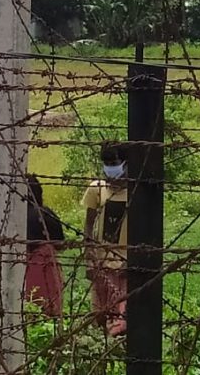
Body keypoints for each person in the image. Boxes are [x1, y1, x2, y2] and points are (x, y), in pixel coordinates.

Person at [83, 143, 129, 336]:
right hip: (101, 261)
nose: (110, 168)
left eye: (114, 163)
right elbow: (89, 223)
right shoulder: (97, 189)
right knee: (100, 314)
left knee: (122, 317)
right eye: (107, 163)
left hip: (125, 263)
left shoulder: (136, 191)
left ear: (126, 163)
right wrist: (88, 254)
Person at [25, 174, 65, 317]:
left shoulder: (16, 216)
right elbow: (61, 243)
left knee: (30, 304)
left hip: (24, 265)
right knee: (50, 305)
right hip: (48, 263)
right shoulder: (46, 213)